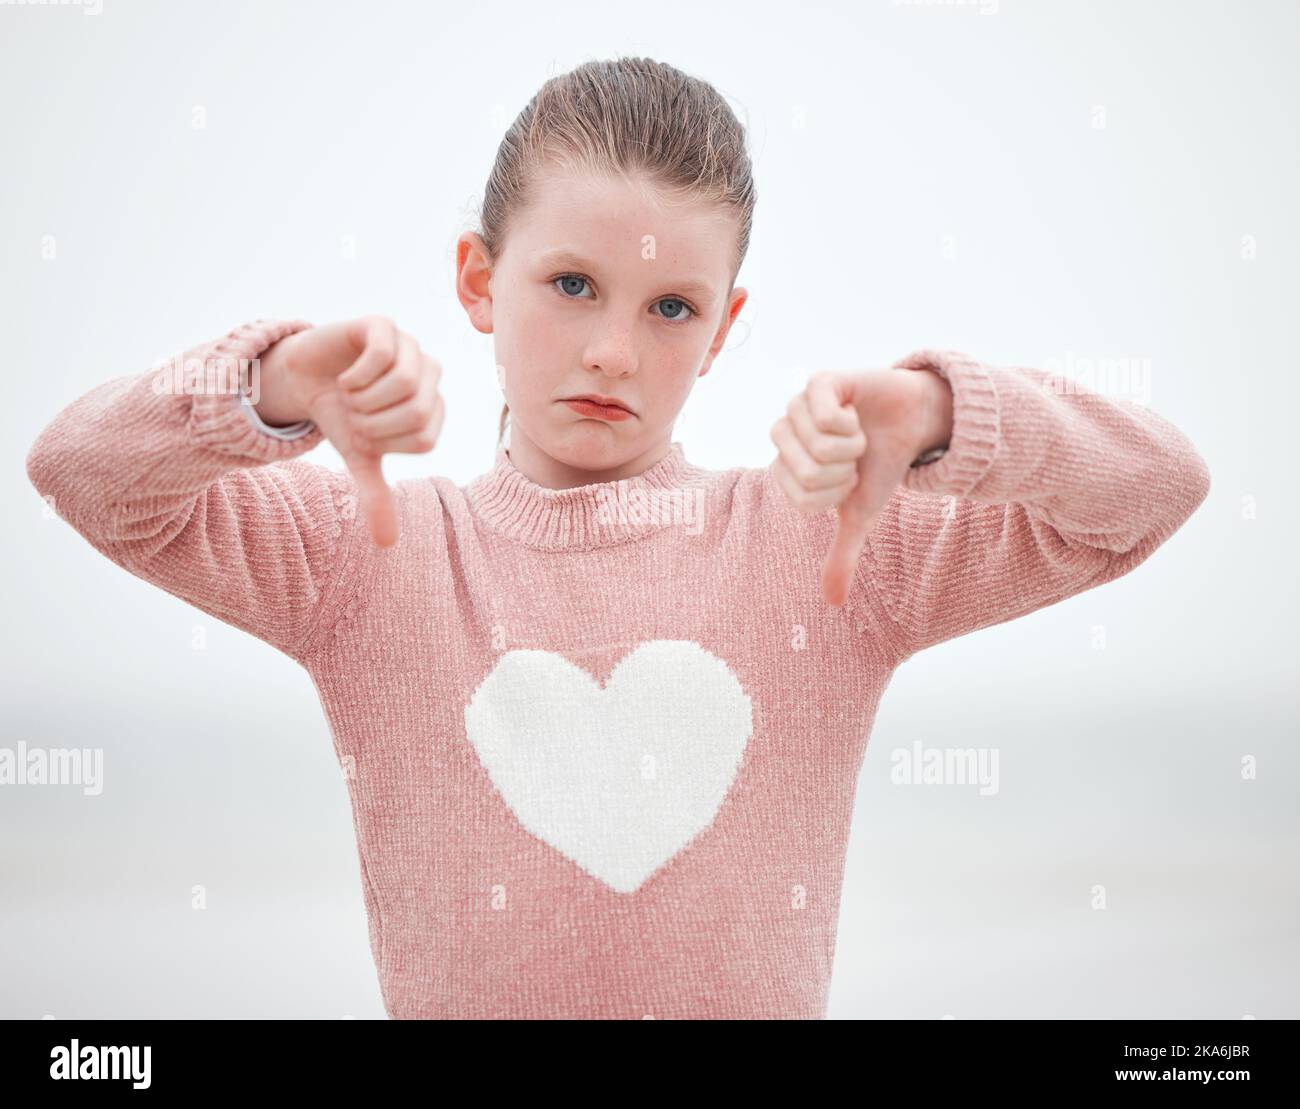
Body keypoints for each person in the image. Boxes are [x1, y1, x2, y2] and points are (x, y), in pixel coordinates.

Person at [25, 56, 1211, 1019]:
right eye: (573, 285)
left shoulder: (825, 548)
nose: (613, 351)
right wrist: (270, 386)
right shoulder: (367, 551)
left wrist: (956, 415)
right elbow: (81, 469)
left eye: (671, 308)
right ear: (479, 282)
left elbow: (1154, 489)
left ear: (725, 324)